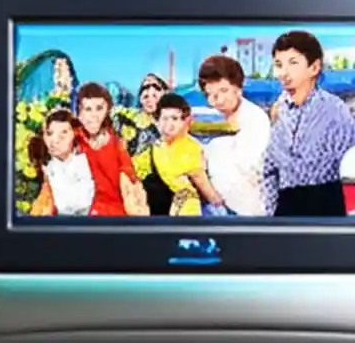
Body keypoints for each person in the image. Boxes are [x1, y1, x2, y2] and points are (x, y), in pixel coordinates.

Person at [262, 30, 355, 216]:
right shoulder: (278, 110)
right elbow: (270, 167)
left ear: (314, 67)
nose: (284, 72)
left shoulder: (334, 109)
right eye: (278, 65)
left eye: (293, 63)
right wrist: (271, 213)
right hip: (285, 206)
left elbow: (348, 160)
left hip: (324, 202)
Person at [197, 55, 270, 216]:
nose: (219, 100)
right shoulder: (204, 117)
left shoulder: (255, 119)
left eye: (224, 91)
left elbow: (255, 169)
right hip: (212, 207)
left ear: (238, 88)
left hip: (246, 211)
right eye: (211, 94)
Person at [75, 82, 143, 216]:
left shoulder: (117, 143)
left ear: (108, 110)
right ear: (79, 112)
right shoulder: (71, 138)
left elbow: (129, 183)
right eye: (88, 109)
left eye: (99, 108)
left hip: (115, 217)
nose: (94, 115)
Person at [151, 93, 222, 216]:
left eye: (175, 118)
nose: (169, 124)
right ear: (157, 120)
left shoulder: (190, 146)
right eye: (165, 118)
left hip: (190, 205)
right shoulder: (156, 146)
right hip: (167, 203)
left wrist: (218, 204)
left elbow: (200, 179)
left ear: (185, 121)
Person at [27, 109, 95, 216]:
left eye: (63, 133)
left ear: (75, 133)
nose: (55, 140)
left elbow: (81, 203)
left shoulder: (84, 163)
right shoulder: (48, 167)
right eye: (50, 133)